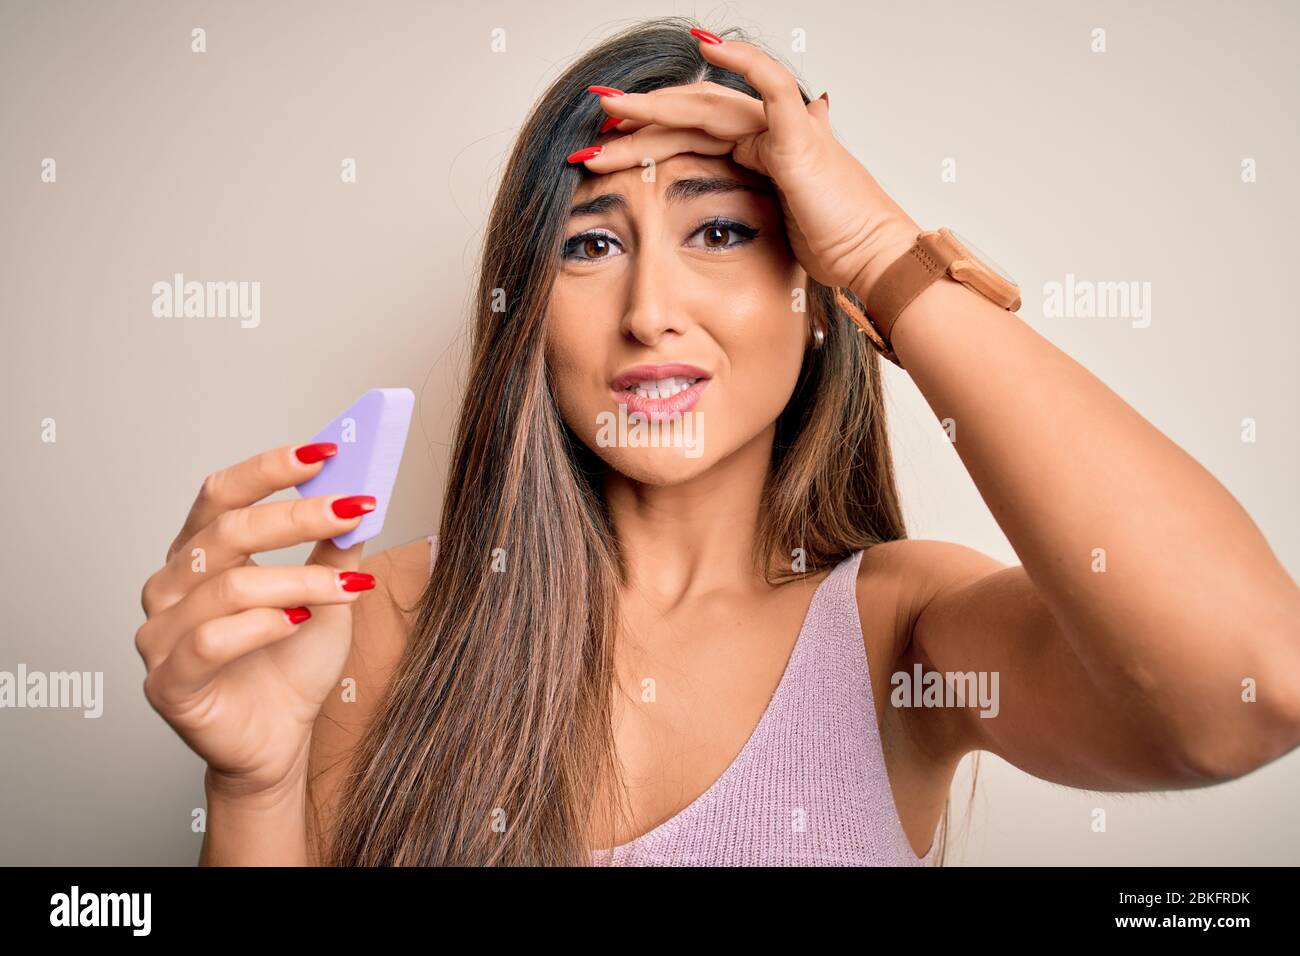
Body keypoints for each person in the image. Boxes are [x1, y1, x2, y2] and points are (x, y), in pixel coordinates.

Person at [136, 18, 1300, 866]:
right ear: (522, 309)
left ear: (811, 287)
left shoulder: (901, 629)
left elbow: (1251, 684)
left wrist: (887, 258)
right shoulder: (375, 622)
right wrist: (255, 782)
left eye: (722, 230)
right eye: (589, 245)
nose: (651, 308)